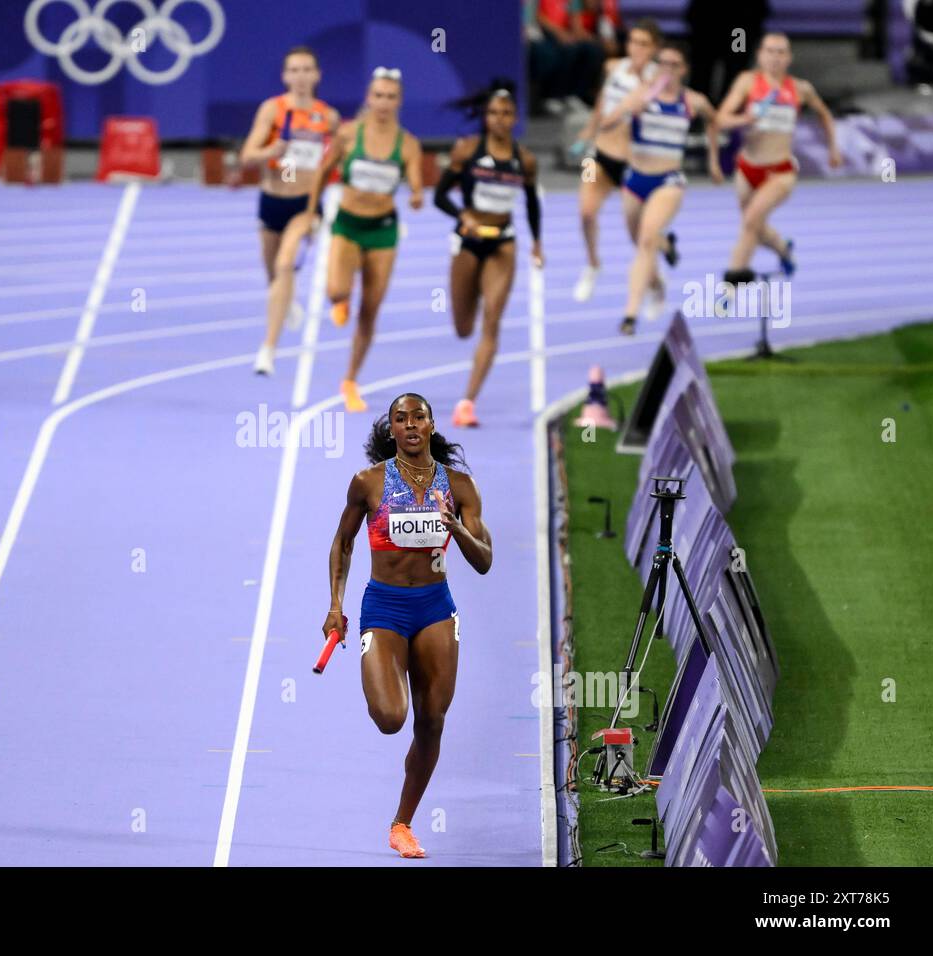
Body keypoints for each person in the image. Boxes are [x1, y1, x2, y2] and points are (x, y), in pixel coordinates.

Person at [324, 394, 492, 859]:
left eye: (419, 416)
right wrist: (336, 605)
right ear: (392, 429)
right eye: (402, 418)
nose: (411, 424)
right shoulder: (368, 483)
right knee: (391, 718)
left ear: (432, 425)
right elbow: (342, 542)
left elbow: (485, 561)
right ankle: (385, 669)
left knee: (432, 721)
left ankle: (402, 823)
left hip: (436, 609)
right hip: (385, 607)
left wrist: (455, 527)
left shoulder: (460, 486)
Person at [307, 68, 424, 413]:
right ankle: (340, 298)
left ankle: (350, 380)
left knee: (369, 310)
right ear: (368, 98)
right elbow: (323, 170)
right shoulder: (348, 134)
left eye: (390, 97)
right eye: (378, 96)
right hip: (347, 224)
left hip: (383, 230)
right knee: (336, 291)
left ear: (398, 101)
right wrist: (312, 211)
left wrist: (417, 196)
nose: (384, 103)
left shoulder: (408, 144)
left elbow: (416, 183)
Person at [434, 85, 543, 427]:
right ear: (485, 116)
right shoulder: (467, 150)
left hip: (502, 242)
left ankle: (467, 403)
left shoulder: (523, 159)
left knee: (492, 321)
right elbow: (438, 195)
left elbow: (531, 202)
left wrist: (537, 242)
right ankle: (472, 297)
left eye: (507, 113)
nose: (500, 119)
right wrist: (463, 216)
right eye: (494, 113)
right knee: (464, 327)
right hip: (468, 241)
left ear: (515, 118)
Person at [712, 33, 842, 307]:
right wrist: (744, 118)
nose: (775, 57)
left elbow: (825, 115)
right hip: (747, 168)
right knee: (755, 227)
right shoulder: (747, 82)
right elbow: (720, 119)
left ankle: (731, 286)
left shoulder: (800, 88)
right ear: (759, 55)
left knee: (750, 222)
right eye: (770, 51)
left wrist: (833, 149)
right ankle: (784, 250)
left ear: (790, 57)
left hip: (780, 171)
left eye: (781, 52)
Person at [601, 42, 721, 335]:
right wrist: (629, 111)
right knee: (643, 242)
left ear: (684, 70)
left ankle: (630, 314)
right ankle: (663, 259)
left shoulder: (693, 101)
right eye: (662, 63)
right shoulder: (640, 95)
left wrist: (713, 160)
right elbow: (605, 124)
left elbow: (714, 121)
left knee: (644, 240)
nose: (667, 69)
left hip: (668, 180)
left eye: (674, 64)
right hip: (635, 180)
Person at [239, 46, 339, 376]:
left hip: (306, 205)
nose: (300, 77)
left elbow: (345, 156)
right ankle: (285, 306)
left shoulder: (328, 117)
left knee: (285, 265)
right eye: (294, 70)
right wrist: (273, 149)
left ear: (318, 75)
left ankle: (267, 349)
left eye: (307, 70)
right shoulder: (273, 110)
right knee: (273, 276)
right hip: (272, 201)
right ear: (285, 76)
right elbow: (246, 156)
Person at [569, 18, 662, 302]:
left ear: (655, 49)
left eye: (644, 44)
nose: (637, 49)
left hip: (634, 165)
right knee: (585, 213)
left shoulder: (659, 80)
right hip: (598, 156)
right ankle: (593, 265)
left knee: (638, 235)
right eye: (633, 41)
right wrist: (588, 131)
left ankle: (655, 283)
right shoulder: (613, 67)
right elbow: (602, 103)